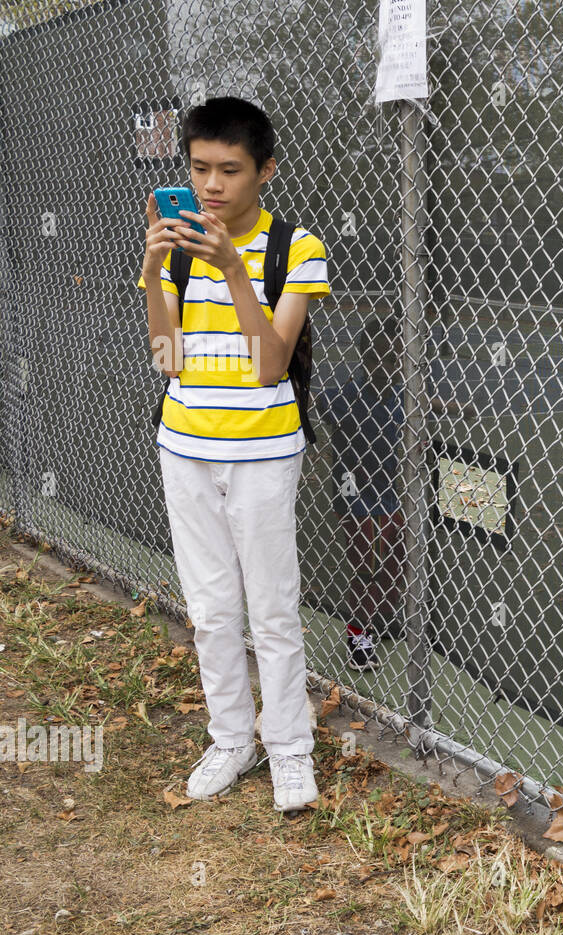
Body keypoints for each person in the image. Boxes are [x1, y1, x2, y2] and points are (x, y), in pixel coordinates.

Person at [138, 96, 330, 813]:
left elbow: (272, 364)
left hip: (260, 452)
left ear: (266, 170)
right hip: (184, 448)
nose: (211, 186)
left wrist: (233, 270)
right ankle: (231, 740)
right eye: (198, 170)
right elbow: (166, 358)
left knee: (272, 611)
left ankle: (289, 749)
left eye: (230, 170)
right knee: (212, 610)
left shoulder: (295, 248)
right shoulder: (181, 245)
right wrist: (158, 272)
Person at [316, 313, 474, 670]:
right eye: (380, 358)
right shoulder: (344, 397)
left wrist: (459, 409)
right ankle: (358, 639)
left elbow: (423, 403)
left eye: (397, 359)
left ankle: (377, 619)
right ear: (366, 358)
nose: (387, 367)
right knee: (367, 568)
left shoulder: (400, 395)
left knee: (396, 560)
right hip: (354, 496)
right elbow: (315, 400)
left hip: (387, 493)